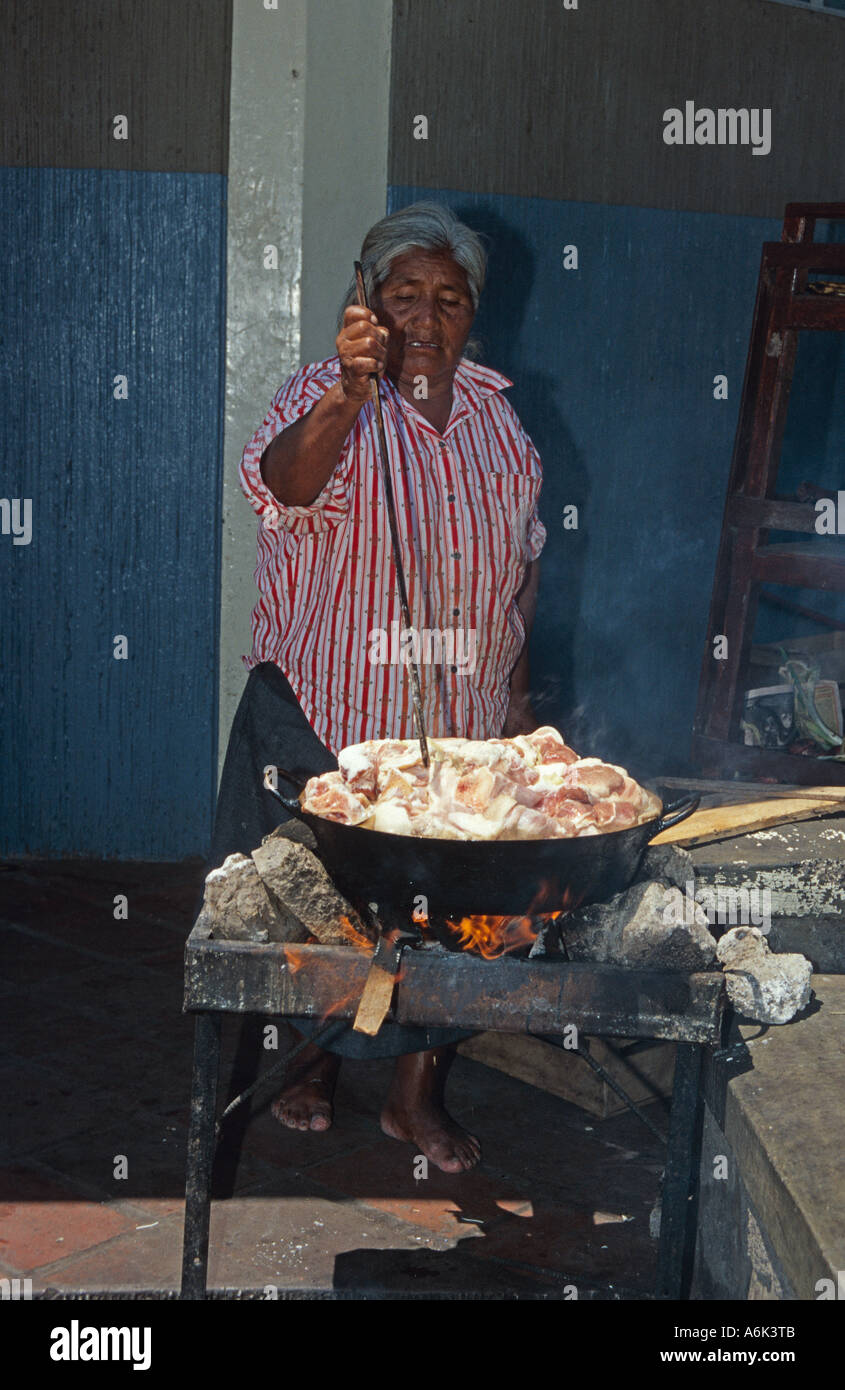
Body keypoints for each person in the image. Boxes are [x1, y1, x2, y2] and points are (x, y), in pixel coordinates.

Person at [211, 202, 546, 1172]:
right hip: (327, 714)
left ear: (471, 314)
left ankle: (411, 1097)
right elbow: (284, 487)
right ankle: (311, 1066)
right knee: (326, 918)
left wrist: (517, 702)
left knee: (450, 925)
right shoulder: (325, 393)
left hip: (459, 733)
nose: (426, 318)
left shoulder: (498, 417)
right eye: (405, 296)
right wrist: (348, 398)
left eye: (448, 298)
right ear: (366, 301)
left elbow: (521, 568)